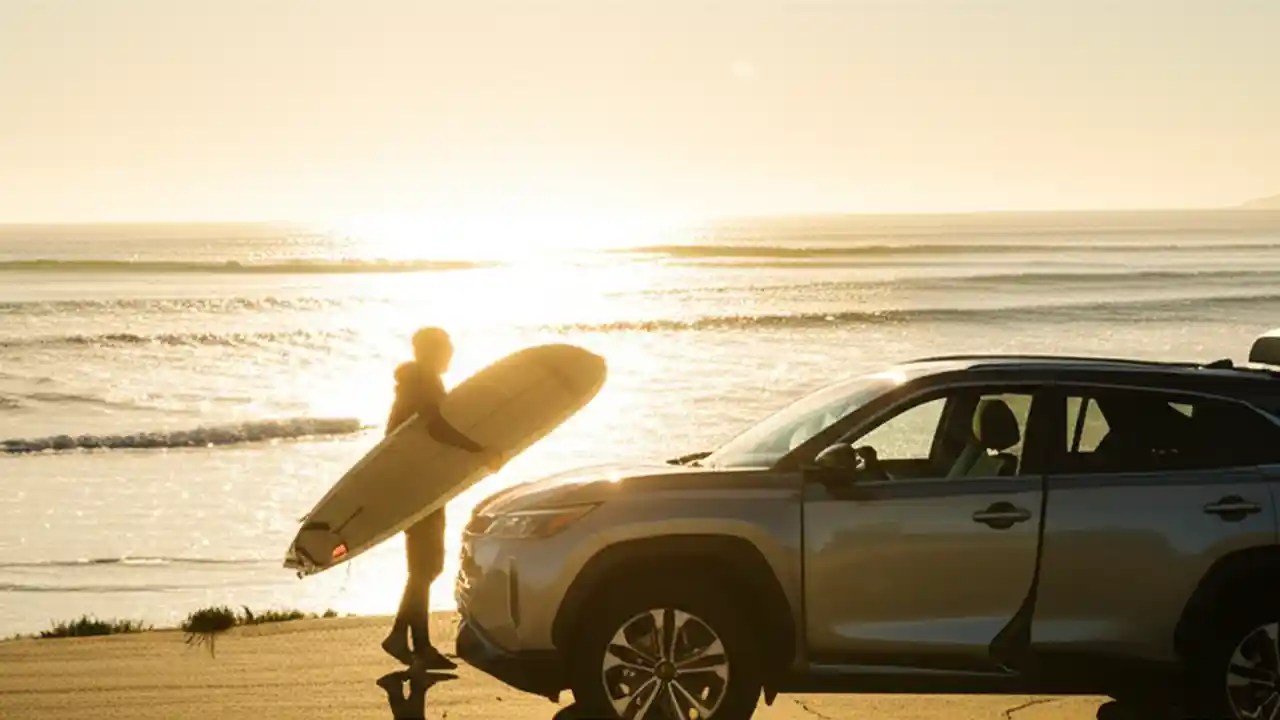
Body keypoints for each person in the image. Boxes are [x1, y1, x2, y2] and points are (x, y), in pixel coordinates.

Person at [380, 327, 494, 669]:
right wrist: (479, 451)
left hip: (419, 484)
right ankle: (414, 642)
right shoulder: (423, 384)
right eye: (446, 348)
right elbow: (436, 428)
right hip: (417, 486)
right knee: (425, 566)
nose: (451, 354)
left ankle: (403, 637)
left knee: (425, 567)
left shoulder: (417, 382)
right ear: (431, 351)